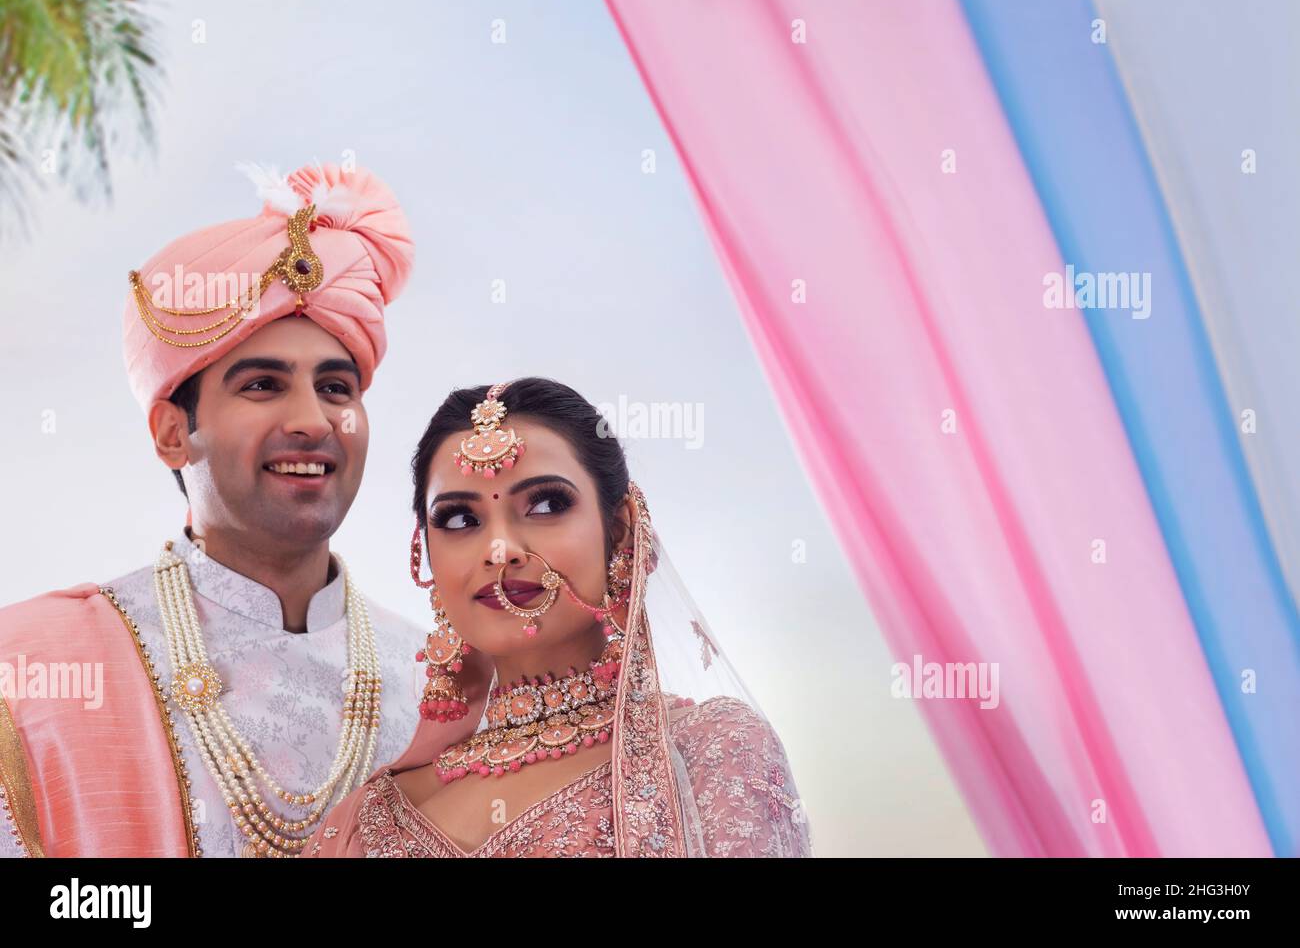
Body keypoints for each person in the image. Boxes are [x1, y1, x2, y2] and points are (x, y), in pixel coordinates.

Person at [0, 161, 485, 857]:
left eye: (337, 387)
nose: (312, 420)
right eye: (263, 385)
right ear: (172, 432)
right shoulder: (32, 673)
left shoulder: (442, 686)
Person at [303, 378, 813, 857]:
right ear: (427, 556)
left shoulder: (708, 749)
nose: (500, 550)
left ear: (617, 530)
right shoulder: (367, 820)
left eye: (545, 505)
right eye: (461, 519)